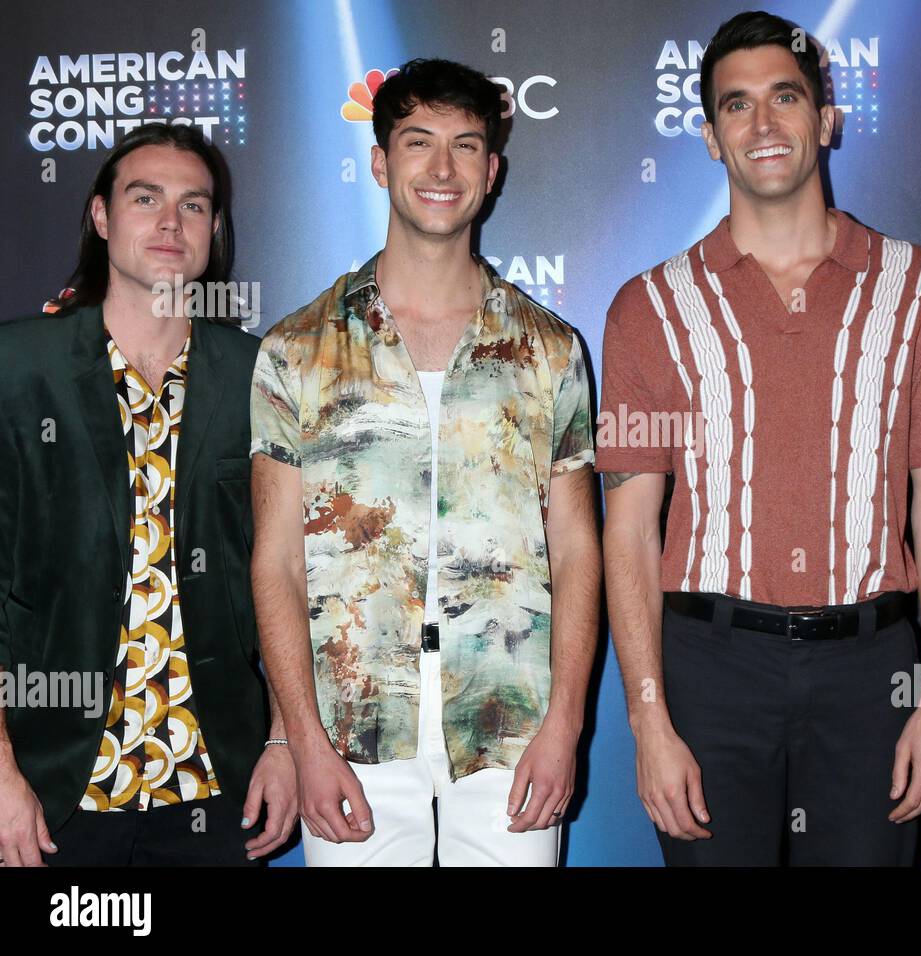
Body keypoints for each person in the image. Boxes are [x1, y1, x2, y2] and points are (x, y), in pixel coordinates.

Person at [597, 10, 921, 866]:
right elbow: (628, 527)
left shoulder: (918, 287)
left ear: (827, 119)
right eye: (736, 105)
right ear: (708, 136)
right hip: (708, 671)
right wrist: (648, 718)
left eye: (785, 98)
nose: (762, 124)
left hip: (873, 669)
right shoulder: (647, 308)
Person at [250, 58, 599, 867]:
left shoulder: (550, 349)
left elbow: (578, 549)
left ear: (492, 169)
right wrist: (303, 738)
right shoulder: (297, 351)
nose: (442, 169)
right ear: (380, 162)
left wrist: (565, 726)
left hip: (511, 721)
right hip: (353, 726)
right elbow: (276, 563)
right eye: (418, 142)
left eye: (465, 146)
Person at [0, 123, 296, 867]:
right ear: (101, 217)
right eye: (146, 198)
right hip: (47, 792)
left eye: (193, 205)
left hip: (214, 789)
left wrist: (288, 741)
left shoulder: (261, 374)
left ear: (214, 229)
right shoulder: (16, 367)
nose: (170, 222)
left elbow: (298, 580)